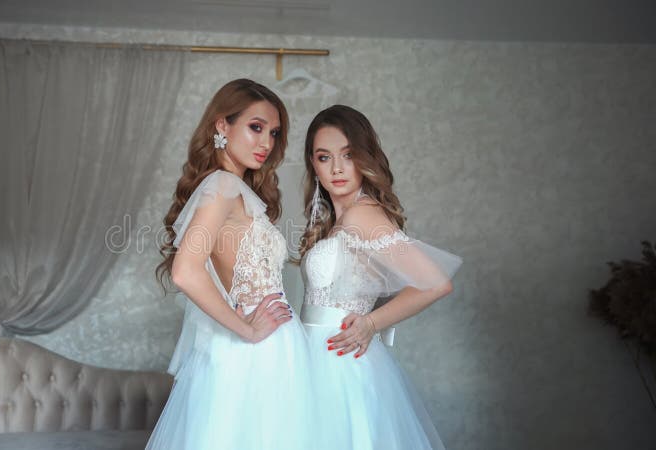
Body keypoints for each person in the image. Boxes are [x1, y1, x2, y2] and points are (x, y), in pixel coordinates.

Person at [147, 79, 316, 450]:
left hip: (267, 346)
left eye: (273, 133)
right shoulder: (222, 186)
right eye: (255, 127)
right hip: (255, 349)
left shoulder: (234, 189)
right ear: (222, 126)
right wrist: (245, 327)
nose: (267, 143)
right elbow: (185, 271)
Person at [299, 105, 463, 450]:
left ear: (364, 157)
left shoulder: (363, 215)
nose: (338, 168)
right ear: (313, 165)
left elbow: (437, 283)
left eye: (348, 155)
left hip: (338, 361)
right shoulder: (337, 220)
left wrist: (371, 323)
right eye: (324, 157)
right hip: (313, 358)